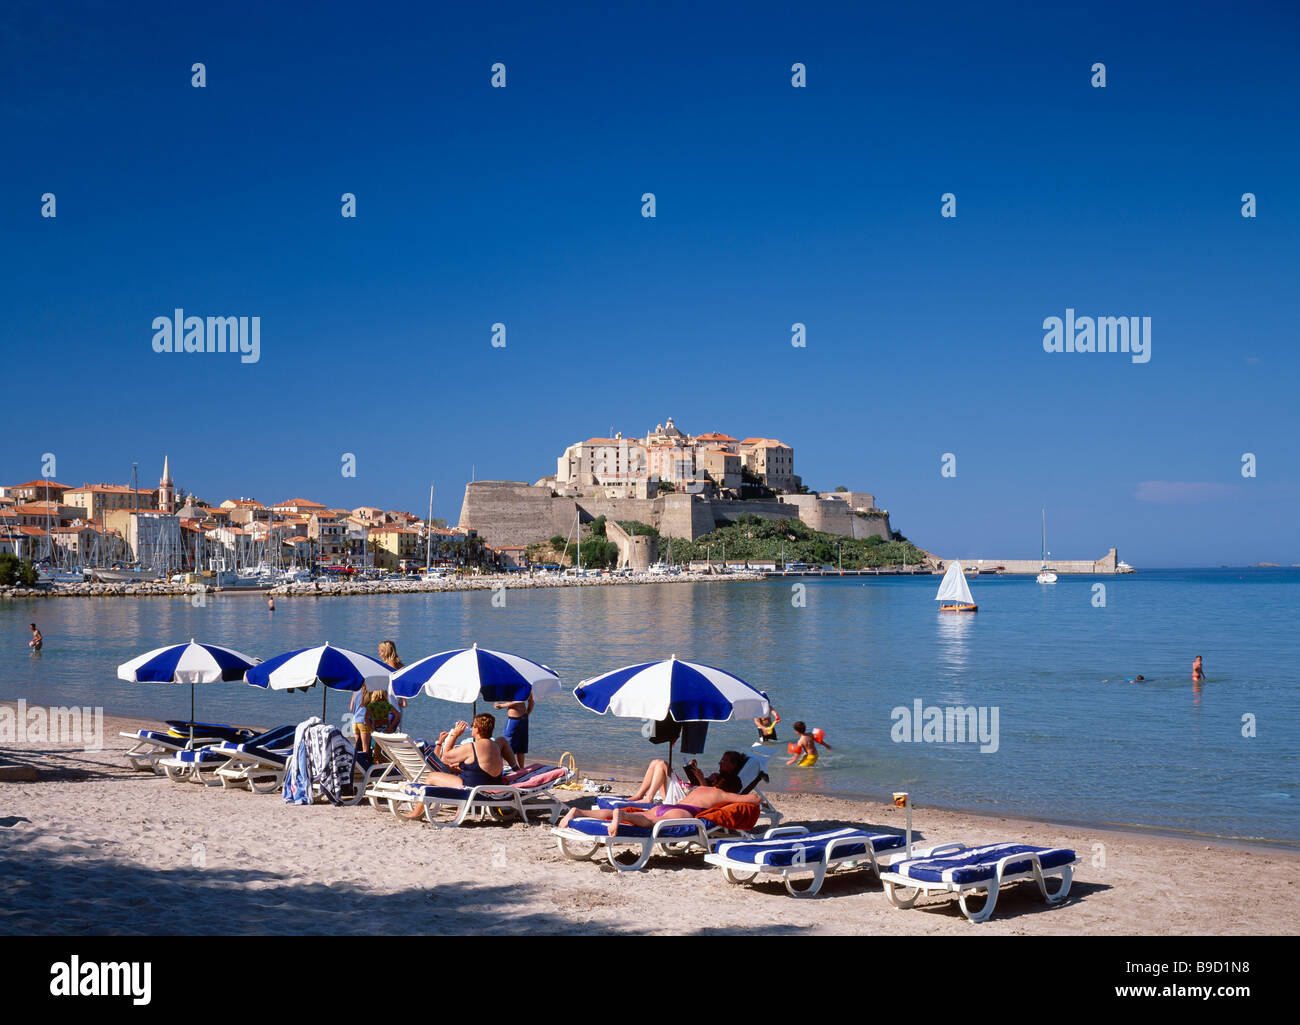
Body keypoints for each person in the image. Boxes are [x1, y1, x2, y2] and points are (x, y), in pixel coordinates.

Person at [401, 714, 518, 820]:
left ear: (477, 729)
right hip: (493, 784)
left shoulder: (471, 747)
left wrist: (454, 735)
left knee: (431, 777)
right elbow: (480, 766)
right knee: (460, 770)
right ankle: (458, 811)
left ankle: (416, 813)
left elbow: (446, 756)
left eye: (473, 725)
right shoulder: (496, 745)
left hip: (472, 788)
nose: (471, 728)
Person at [558, 787, 760, 835]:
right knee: (653, 824)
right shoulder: (719, 794)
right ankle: (624, 815)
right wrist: (750, 799)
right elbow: (752, 799)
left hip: (667, 807)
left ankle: (579, 812)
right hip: (683, 813)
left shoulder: (699, 788)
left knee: (648, 816)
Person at [629, 750, 744, 802]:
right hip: (686, 793)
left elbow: (712, 796)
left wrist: (700, 778)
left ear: (734, 765)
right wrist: (695, 776)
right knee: (656, 762)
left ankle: (648, 798)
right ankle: (640, 795)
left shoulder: (733, 781)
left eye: (724, 761)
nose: (720, 763)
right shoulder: (718, 776)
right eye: (721, 760)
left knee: (662, 764)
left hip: (686, 800)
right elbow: (699, 786)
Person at [494, 693, 534, 762]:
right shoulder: (526, 686)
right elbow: (531, 701)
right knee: (520, 746)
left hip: (515, 719)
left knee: (506, 743)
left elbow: (517, 701)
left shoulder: (516, 686)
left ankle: (510, 765)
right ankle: (521, 768)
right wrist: (527, 713)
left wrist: (501, 705)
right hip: (524, 718)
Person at [377, 640, 408, 726]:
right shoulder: (398, 663)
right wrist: (404, 699)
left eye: (381, 650)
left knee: (388, 725)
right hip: (395, 697)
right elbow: (402, 681)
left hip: (390, 697)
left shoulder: (390, 664)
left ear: (386, 651)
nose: (379, 653)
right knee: (396, 724)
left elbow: (395, 681)